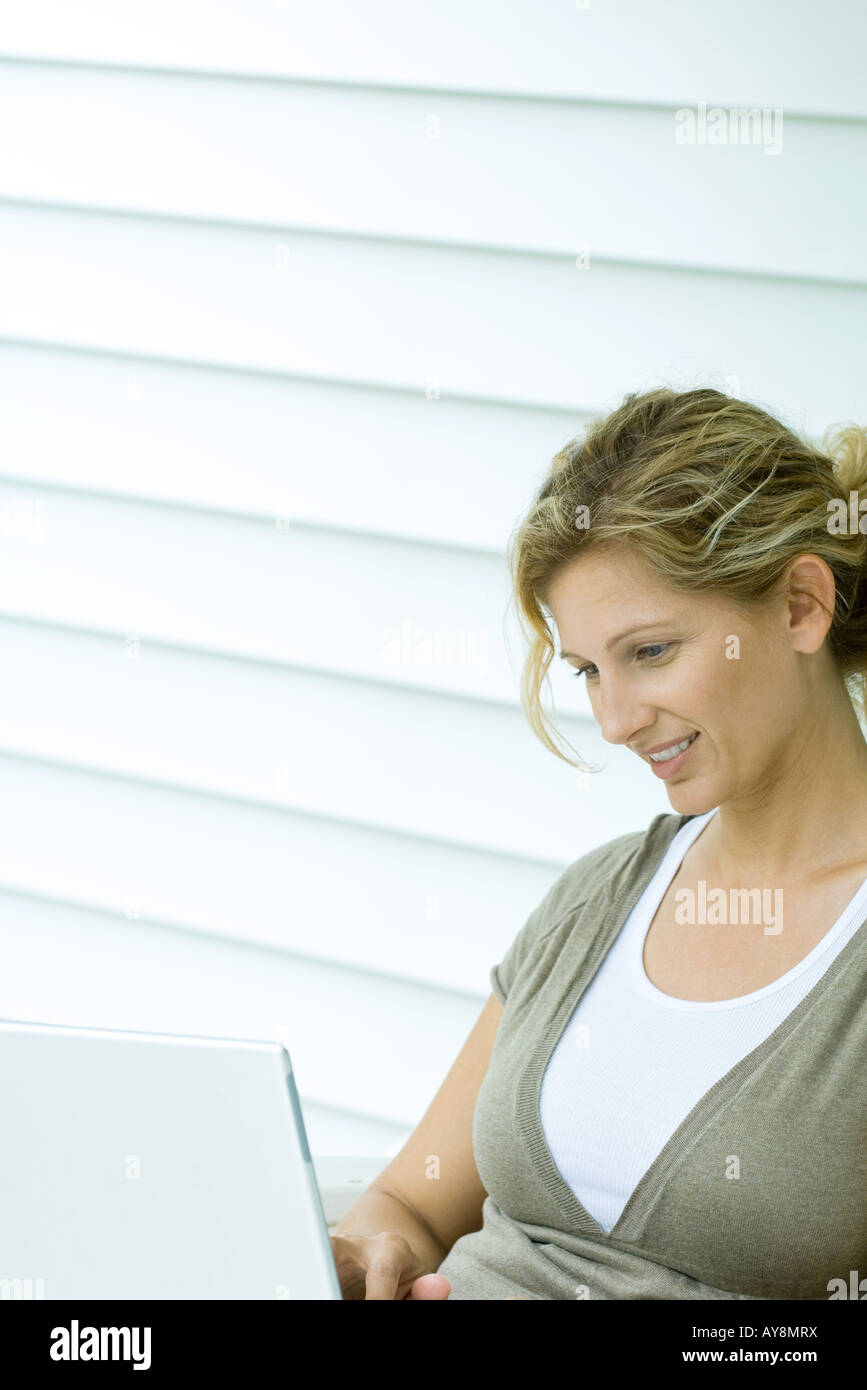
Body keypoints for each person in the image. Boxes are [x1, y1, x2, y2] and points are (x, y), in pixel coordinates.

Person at [330, 386, 867, 1300]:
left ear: (799, 607)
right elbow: (407, 1205)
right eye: (587, 670)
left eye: (651, 652)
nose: (614, 721)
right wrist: (372, 1252)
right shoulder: (599, 900)